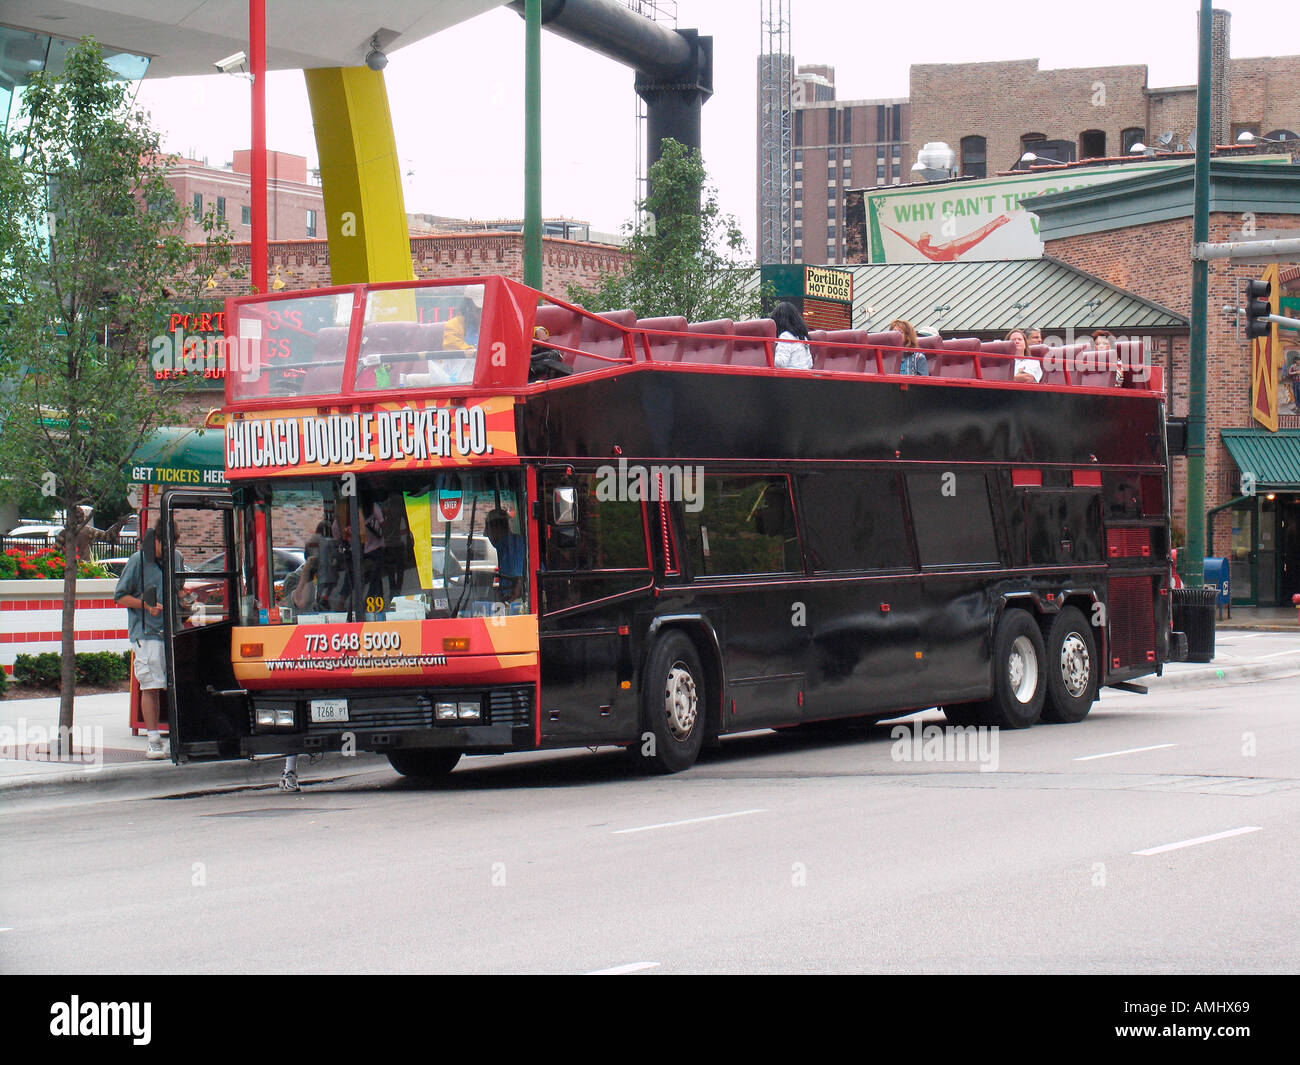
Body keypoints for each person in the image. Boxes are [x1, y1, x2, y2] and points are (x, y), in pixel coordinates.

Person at [113, 518, 184, 760]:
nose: (168, 550)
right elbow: (120, 596)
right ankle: (153, 739)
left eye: (172, 544)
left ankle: (177, 735)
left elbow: (179, 589)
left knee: (176, 685)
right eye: (164, 544)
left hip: (173, 631)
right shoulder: (137, 561)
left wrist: (187, 601)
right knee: (151, 685)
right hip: (147, 633)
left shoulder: (177, 558)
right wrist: (146, 606)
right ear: (154, 539)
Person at [484, 508, 526, 603]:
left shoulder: (515, 545)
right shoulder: (502, 548)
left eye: (487, 528)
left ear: (497, 528)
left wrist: (506, 604)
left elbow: (520, 581)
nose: (485, 534)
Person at [772, 302, 812, 369]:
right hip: (804, 375)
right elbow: (810, 363)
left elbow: (781, 363)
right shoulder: (803, 338)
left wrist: (767, 358)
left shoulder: (785, 336)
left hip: (789, 377)